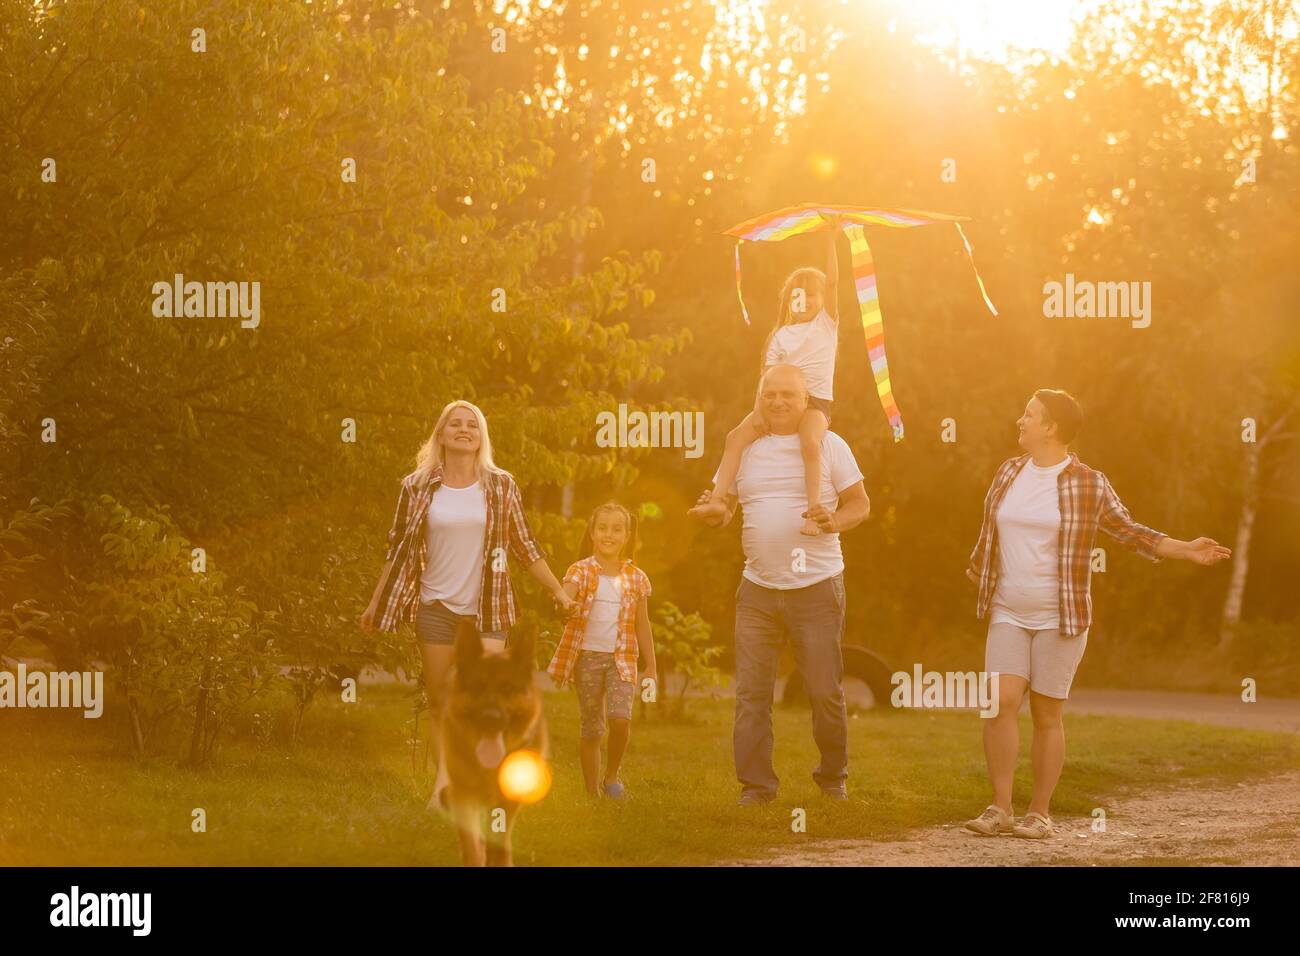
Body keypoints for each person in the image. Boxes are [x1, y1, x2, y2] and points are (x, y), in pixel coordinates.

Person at [963, 389, 1231, 839]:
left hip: (1062, 616)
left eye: (1029, 415)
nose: (1020, 420)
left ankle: (1039, 813)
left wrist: (1185, 549)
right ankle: (999, 808)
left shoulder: (1088, 482)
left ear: (1051, 428)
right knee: (1001, 704)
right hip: (1008, 608)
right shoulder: (1009, 471)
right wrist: (978, 569)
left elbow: (1128, 530)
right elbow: (990, 528)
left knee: (1047, 714)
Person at [360, 400, 577, 808]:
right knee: (443, 702)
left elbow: (525, 546)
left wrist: (559, 592)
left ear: (481, 437)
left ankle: (491, 784)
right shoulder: (416, 486)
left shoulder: (500, 484)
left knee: (490, 699)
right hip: (436, 608)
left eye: (471, 425)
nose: (463, 430)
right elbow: (397, 550)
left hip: (488, 609)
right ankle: (446, 786)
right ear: (441, 435)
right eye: (455, 424)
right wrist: (376, 603)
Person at [692, 363, 872, 805]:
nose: (776, 402)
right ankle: (757, 786)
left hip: (816, 587)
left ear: (805, 400)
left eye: (787, 395)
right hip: (757, 589)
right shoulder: (747, 449)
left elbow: (860, 505)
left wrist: (834, 522)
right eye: (769, 393)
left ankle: (832, 778)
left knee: (823, 691)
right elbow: (725, 507)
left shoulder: (829, 445)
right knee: (751, 693)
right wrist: (715, 514)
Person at [690, 217, 842, 537]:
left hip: (814, 404)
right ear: (788, 301)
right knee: (736, 438)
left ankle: (813, 513)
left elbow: (833, 284)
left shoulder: (826, 325)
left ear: (822, 300)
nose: (805, 301)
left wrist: (831, 239)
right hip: (776, 403)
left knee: (810, 443)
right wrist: (758, 410)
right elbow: (766, 379)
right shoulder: (779, 335)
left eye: (811, 296)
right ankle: (719, 500)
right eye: (797, 296)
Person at [546, 502, 658, 800]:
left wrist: (652, 667)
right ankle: (592, 793)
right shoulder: (580, 571)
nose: (609, 534)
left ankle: (612, 776)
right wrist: (565, 604)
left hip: (622, 660)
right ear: (592, 533)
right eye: (603, 528)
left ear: (627, 535)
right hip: (587, 660)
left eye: (617, 529)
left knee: (620, 719)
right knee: (592, 728)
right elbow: (565, 595)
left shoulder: (637, 578)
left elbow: (642, 624)